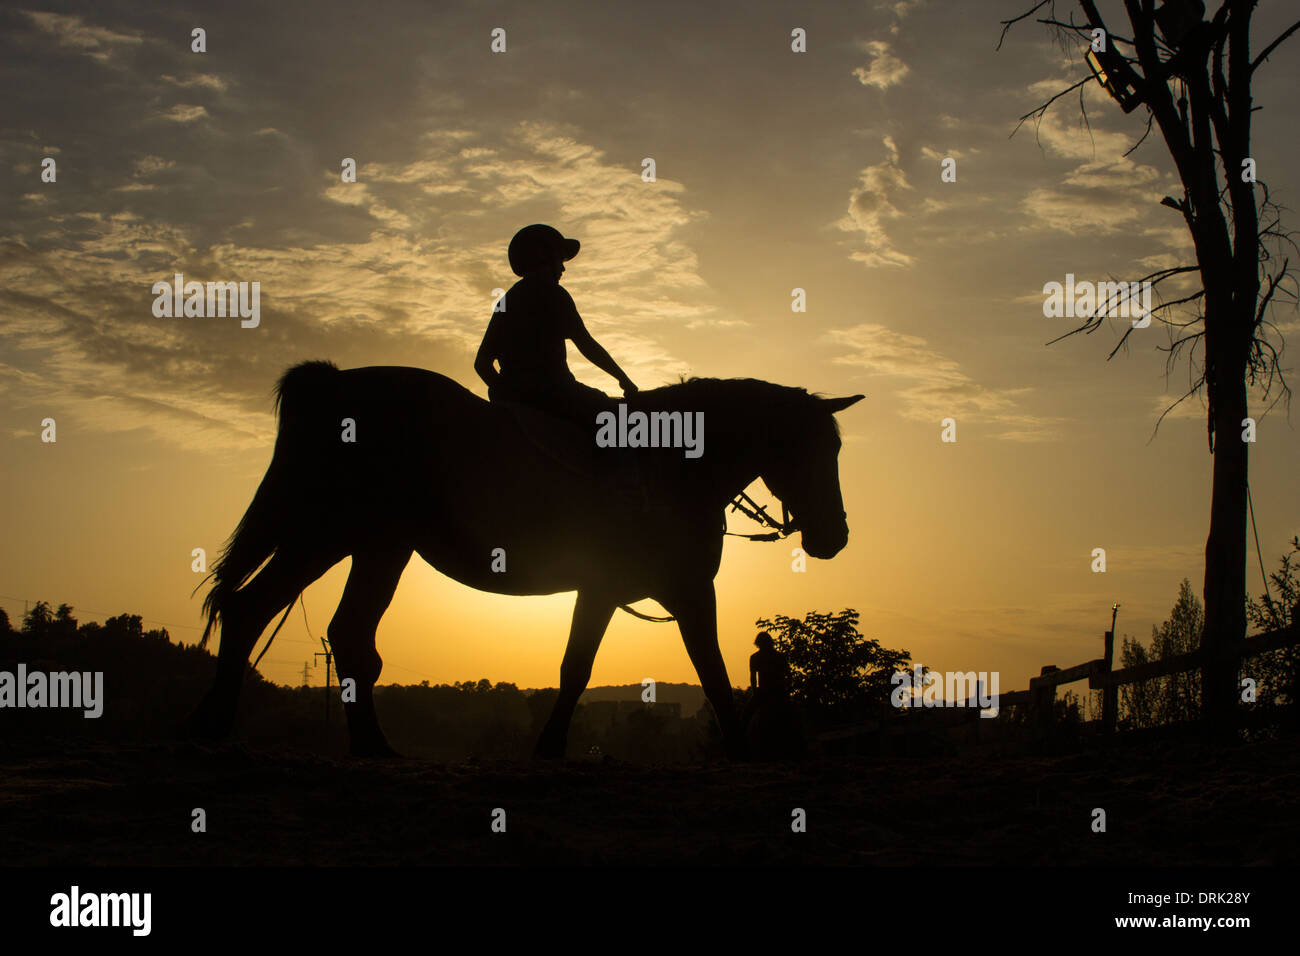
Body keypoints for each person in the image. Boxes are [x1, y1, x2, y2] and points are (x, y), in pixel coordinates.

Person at [475, 224, 637, 427]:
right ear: (544, 257)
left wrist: (508, 394)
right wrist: (624, 380)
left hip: (516, 397)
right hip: (559, 394)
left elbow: (481, 363)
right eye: (559, 259)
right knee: (620, 423)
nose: (562, 268)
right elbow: (586, 345)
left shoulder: (507, 301)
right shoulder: (555, 295)